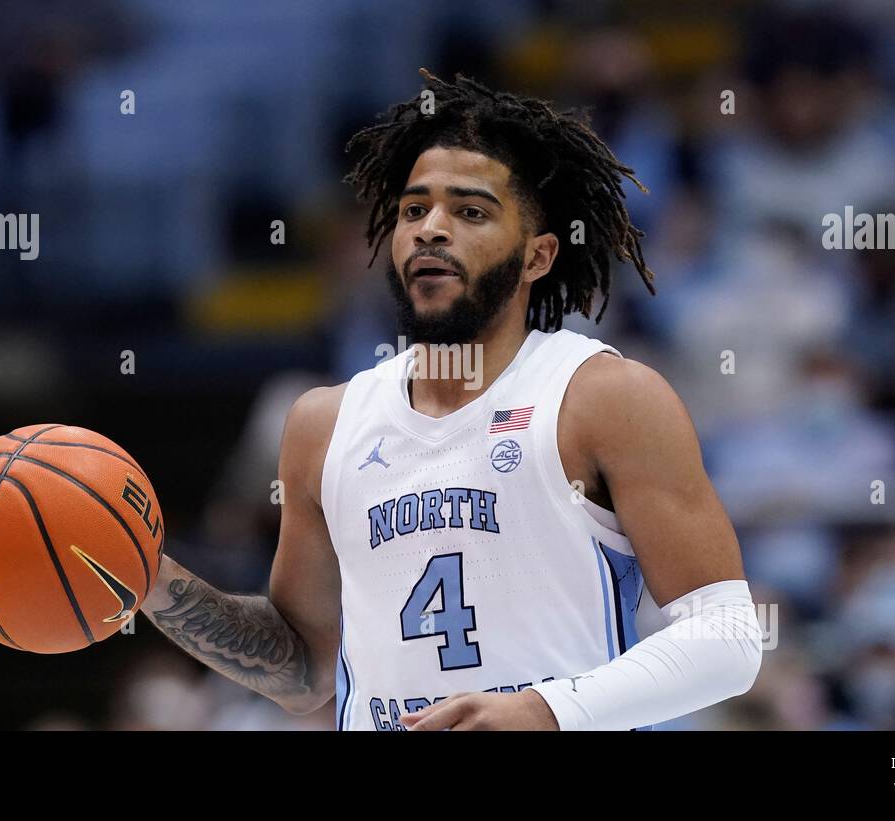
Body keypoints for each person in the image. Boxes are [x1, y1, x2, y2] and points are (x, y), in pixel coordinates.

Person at [142, 70, 762, 731]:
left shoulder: (603, 398)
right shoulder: (323, 424)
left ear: (537, 255)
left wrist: (546, 708)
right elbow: (302, 672)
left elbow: (728, 639)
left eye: (470, 211)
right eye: (414, 209)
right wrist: (150, 580)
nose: (430, 229)